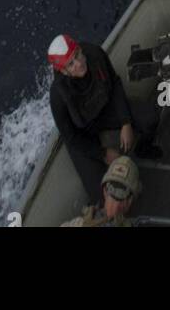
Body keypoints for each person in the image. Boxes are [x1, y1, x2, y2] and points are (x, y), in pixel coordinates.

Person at [47, 34, 160, 202]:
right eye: (71, 64)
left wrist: (125, 122)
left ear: (79, 49)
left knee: (150, 117)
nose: (79, 64)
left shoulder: (95, 54)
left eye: (77, 55)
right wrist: (102, 153)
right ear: (63, 71)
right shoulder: (58, 95)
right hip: (83, 132)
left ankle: (142, 149)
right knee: (100, 195)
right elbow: (70, 137)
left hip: (106, 109)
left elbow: (114, 84)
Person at [60, 154, 141, 228]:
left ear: (104, 191)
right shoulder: (86, 220)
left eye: (119, 196)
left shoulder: (84, 221)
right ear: (130, 201)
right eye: (113, 192)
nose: (115, 205)